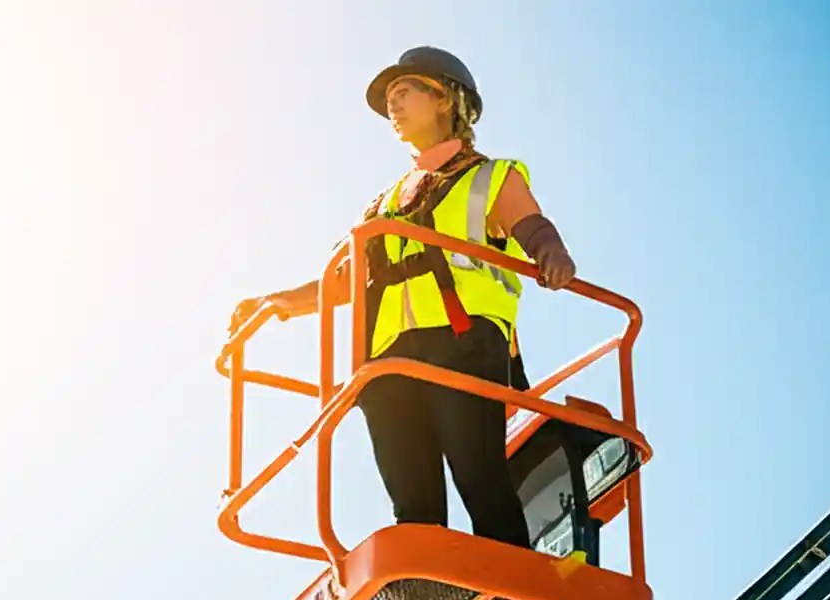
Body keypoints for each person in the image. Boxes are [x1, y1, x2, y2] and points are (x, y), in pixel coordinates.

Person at [229, 46, 577, 550]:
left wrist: (551, 252)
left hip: (464, 342)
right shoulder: (382, 205)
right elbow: (346, 279)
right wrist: (277, 302)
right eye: (390, 98)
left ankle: (507, 599)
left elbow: (531, 224)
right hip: (388, 361)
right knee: (412, 503)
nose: (393, 106)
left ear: (444, 99)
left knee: (479, 476)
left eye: (403, 92)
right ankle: (428, 596)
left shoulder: (491, 175)